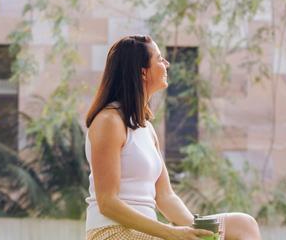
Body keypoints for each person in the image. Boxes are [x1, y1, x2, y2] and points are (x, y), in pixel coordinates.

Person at [84, 35, 261, 240]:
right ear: (142, 71)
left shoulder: (146, 128)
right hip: (111, 232)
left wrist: (197, 231)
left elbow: (165, 196)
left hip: (148, 233)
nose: (166, 64)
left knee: (244, 226)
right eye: (159, 59)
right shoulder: (109, 121)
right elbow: (108, 203)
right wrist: (172, 233)